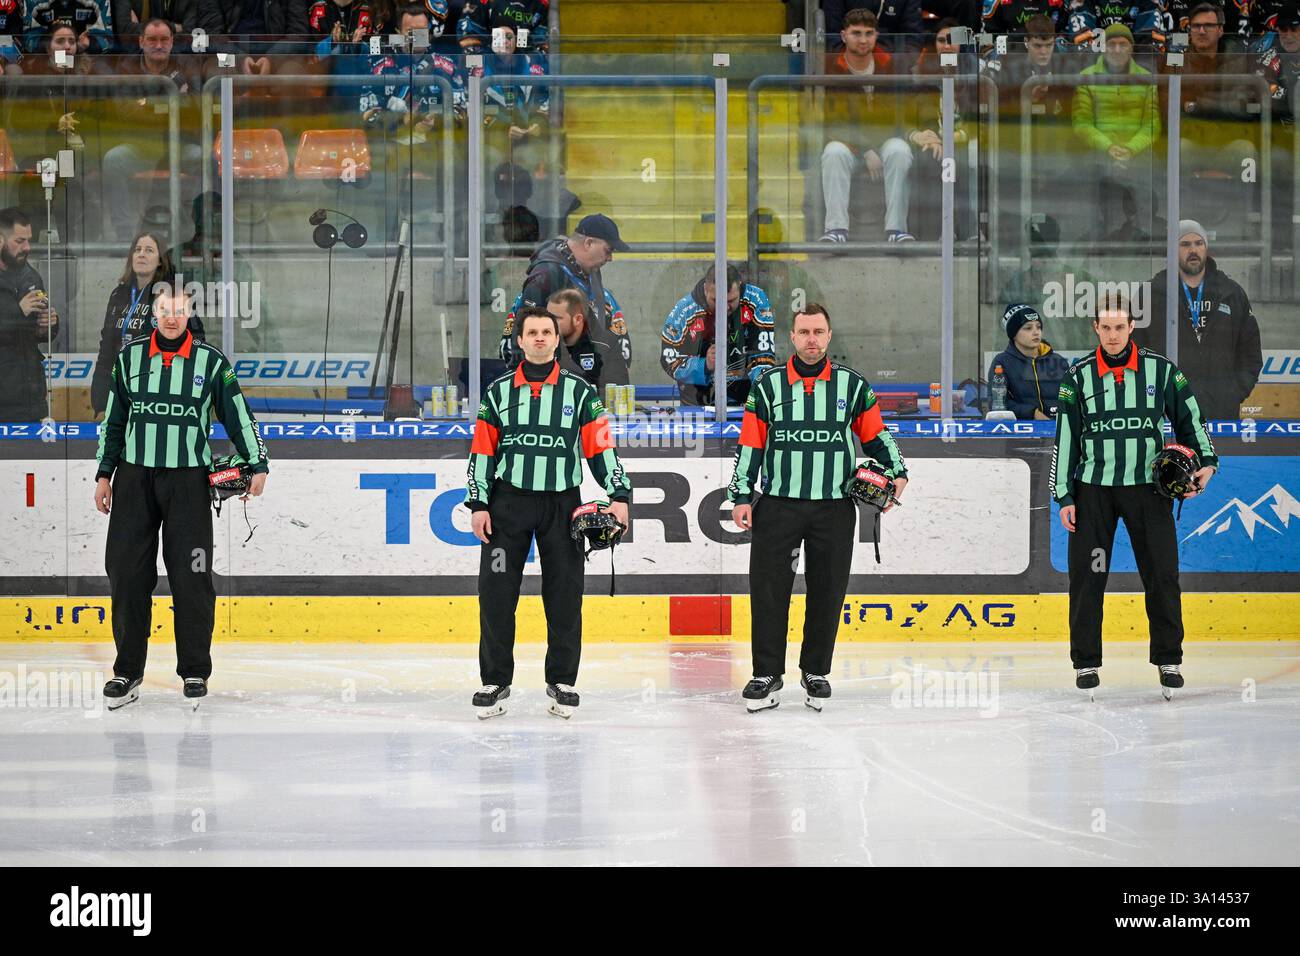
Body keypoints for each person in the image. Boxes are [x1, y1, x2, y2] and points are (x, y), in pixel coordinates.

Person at [93, 282, 269, 709]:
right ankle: (127, 672)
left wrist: (256, 463)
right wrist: (104, 474)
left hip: (189, 484)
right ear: (154, 314)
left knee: (192, 579)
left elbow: (237, 413)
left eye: (179, 310)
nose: (172, 317)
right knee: (128, 576)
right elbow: (114, 422)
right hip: (134, 482)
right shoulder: (128, 358)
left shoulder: (212, 363)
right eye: (164, 310)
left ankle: (194, 670)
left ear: (189, 314)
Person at [727, 304, 908, 712]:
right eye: (804, 331)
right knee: (769, 592)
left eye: (818, 331)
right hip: (778, 506)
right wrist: (740, 495)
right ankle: (767, 673)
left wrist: (898, 471)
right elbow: (750, 445)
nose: (811, 339)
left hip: (834, 508)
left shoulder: (853, 386)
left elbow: (877, 436)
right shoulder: (768, 386)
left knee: (827, 591)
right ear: (792, 337)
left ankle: (816, 671)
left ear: (829, 336)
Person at [465, 305, 631, 718]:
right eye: (532, 332)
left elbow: (601, 450)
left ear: (558, 341)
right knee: (497, 595)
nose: (540, 338)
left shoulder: (581, 392)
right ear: (519, 341)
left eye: (547, 332)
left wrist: (619, 494)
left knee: (565, 594)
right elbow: (482, 452)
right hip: (507, 507)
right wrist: (479, 503)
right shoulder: (497, 393)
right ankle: (495, 681)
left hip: (562, 505)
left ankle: (561, 682)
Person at [1051, 290, 1217, 696]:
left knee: (1162, 575)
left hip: (1149, 491)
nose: (1112, 335)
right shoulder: (1077, 377)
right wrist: (1064, 496)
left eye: (1119, 327)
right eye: (1105, 328)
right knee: (1087, 580)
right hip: (1093, 493)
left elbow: (1189, 417)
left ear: (1132, 326)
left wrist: (1208, 461)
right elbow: (1066, 437)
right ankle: (1085, 663)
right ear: (1095, 328)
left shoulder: (1162, 371)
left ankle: (1169, 659)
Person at [1145, 220, 1262, 420]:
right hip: (1169, 414)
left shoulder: (1231, 293)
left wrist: (1232, 393)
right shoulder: (1151, 294)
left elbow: (1250, 353)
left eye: (1199, 243)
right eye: (1185, 244)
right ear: (1172, 250)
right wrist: (1156, 396)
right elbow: (1137, 351)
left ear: (1206, 248)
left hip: (1220, 413)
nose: (1193, 249)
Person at [500, 213, 632, 386]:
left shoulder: (590, 271)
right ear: (588, 243)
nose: (610, 258)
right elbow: (524, 335)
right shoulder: (547, 274)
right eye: (608, 250)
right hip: (551, 387)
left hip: (583, 382)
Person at [819, 8, 914, 243]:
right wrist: (865, 149)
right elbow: (834, 122)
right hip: (850, 144)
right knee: (833, 152)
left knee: (900, 150)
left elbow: (894, 115)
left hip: (882, 140)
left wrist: (874, 146)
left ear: (876, 35)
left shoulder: (888, 64)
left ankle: (897, 230)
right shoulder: (832, 67)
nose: (863, 40)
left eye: (869, 33)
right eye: (856, 33)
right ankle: (836, 230)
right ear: (843, 36)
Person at [90, 231, 206, 417]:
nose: (141, 254)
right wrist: (100, 402)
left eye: (149, 250)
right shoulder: (119, 295)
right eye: (137, 250)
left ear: (160, 259)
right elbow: (106, 351)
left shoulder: (173, 293)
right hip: (122, 388)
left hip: (158, 392)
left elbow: (196, 340)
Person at [1072, 23, 1160, 236]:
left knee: (1153, 169)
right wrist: (1110, 147)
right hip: (1099, 152)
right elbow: (1081, 123)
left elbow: (1152, 124)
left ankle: (1145, 230)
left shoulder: (1146, 78)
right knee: (1095, 171)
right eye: (1112, 44)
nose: (1117, 49)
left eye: (1123, 44)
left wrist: (1130, 149)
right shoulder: (1087, 76)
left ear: (1131, 48)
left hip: (1138, 153)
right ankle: (1097, 232)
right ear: (1104, 47)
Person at [660, 264, 776, 407]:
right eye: (716, 301)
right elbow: (668, 361)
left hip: (745, 401)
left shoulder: (756, 299)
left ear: (739, 285)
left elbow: (764, 355)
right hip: (697, 403)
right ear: (706, 288)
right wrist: (704, 364)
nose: (724, 307)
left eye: (731, 300)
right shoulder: (684, 311)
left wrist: (760, 393)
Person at [0, 207, 60, 422]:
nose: (26, 247)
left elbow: (36, 334)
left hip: (31, 397)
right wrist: (19, 311)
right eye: (19, 241)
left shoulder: (31, 276)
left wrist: (46, 326)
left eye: (28, 240)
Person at [989, 303, 1072, 419]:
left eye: (1038, 327)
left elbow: (1071, 398)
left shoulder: (1058, 361)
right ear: (1014, 334)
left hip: (1058, 430)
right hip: (1022, 433)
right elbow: (998, 403)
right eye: (1028, 328)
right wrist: (1033, 413)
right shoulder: (1002, 362)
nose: (1036, 332)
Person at [546, 287, 603, 385]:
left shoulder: (602, 347)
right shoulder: (540, 343)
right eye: (547, 316)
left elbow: (612, 389)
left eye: (555, 317)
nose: (547, 322)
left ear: (577, 319)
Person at [823, 0, 924, 54]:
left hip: (892, 68)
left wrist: (895, 65)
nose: (863, 40)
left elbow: (913, 38)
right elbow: (831, 35)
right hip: (845, 66)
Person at [1065, 0, 1165, 48]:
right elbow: (1082, 40)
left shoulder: (1147, 3)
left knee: (1152, 47)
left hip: (1135, 58)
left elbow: (1151, 41)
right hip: (1098, 59)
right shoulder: (1085, 2)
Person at [457, 0, 546, 51]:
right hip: (488, 65)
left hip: (524, 67)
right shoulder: (482, 1)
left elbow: (543, 45)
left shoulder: (541, 4)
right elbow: (466, 40)